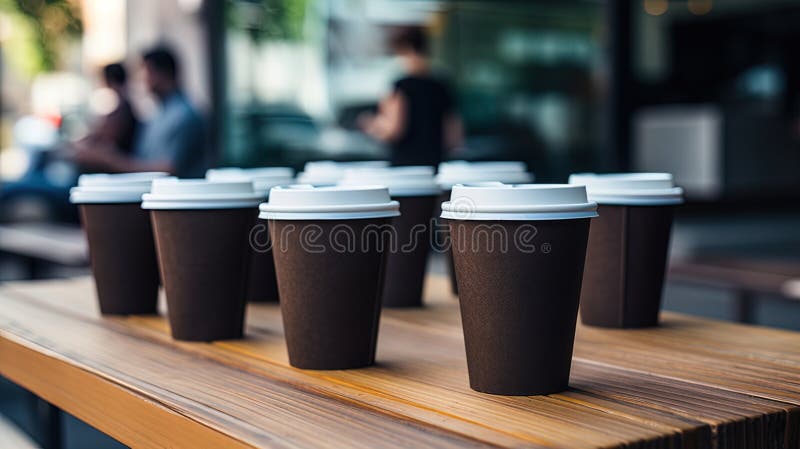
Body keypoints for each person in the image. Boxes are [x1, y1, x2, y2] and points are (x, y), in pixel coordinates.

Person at [72, 46, 206, 177]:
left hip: (173, 196)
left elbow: (167, 170)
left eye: (145, 70)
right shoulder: (160, 113)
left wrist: (110, 160)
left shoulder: (183, 116)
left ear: (162, 74)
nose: (141, 78)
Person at [360, 27, 462, 167]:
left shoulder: (400, 87)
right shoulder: (442, 85)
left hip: (405, 168)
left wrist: (370, 124)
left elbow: (393, 130)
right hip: (435, 166)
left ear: (407, 49)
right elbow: (453, 136)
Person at [72, 63, 138, 155]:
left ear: (107, 80)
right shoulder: (124, 103)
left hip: (119, 158)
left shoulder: (123, 107)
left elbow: (108, 137)